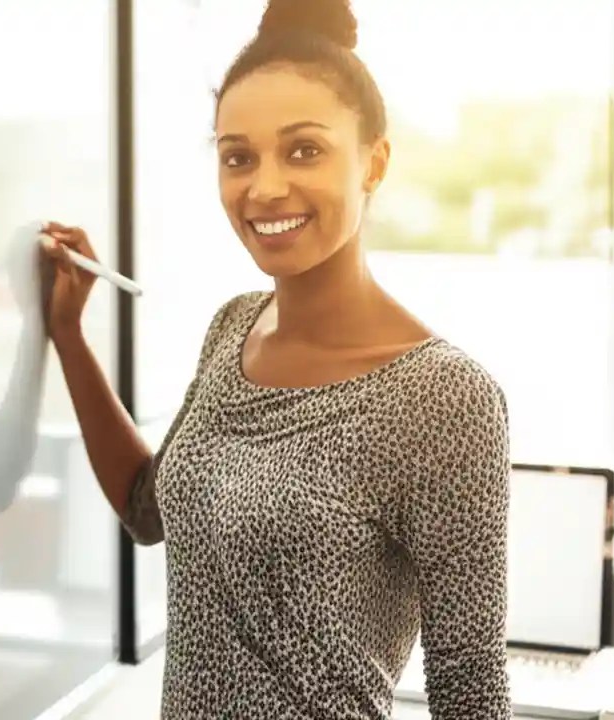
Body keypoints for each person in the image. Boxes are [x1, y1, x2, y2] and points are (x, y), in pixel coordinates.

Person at [40, 0, 512, 717]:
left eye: (304, 150)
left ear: (373, 162)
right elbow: (147, 508)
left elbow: (470, 683)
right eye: (238, 156)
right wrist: (70, 337)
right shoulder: (233, 328)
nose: (263, 188)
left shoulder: (443, 397)